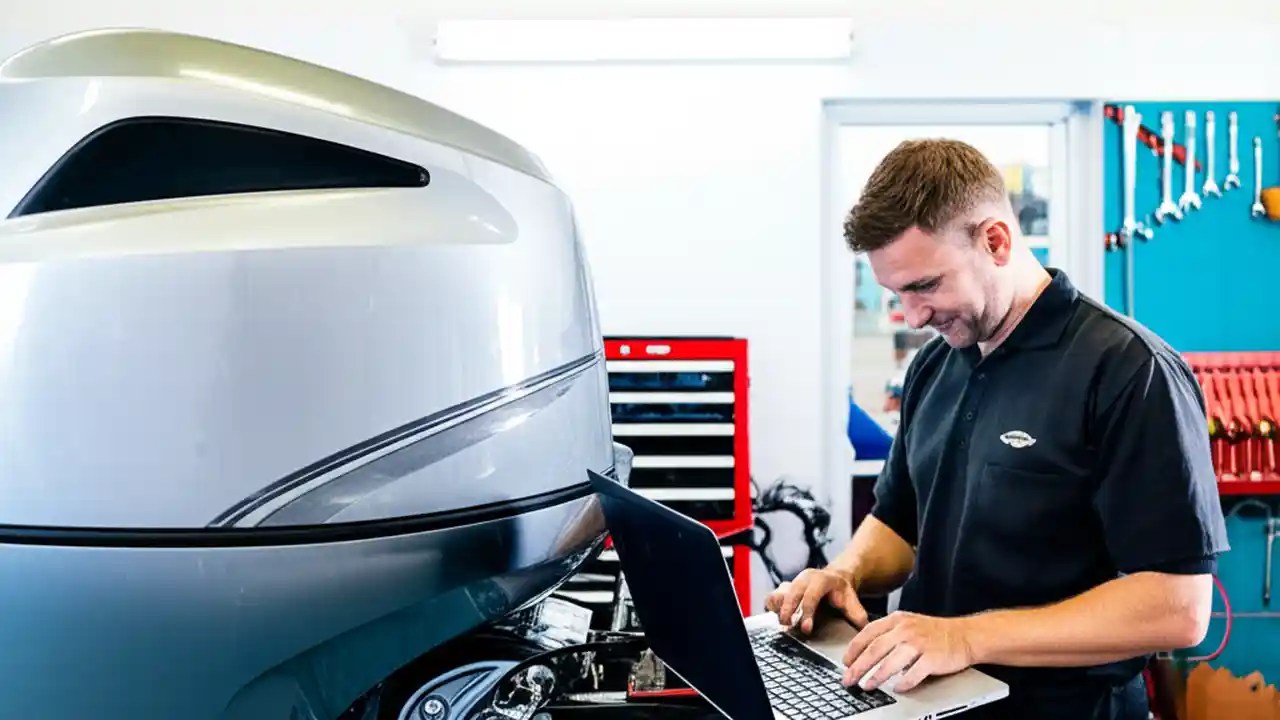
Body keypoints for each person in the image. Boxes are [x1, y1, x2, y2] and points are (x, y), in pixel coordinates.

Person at [765, 139, 1230, 719]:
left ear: (996, 241)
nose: (914, 317)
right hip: (925, 701)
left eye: (925, 286)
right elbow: (899, 522)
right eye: (897, 294)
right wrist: (845, 573)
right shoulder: (934, 364)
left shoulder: (1129, 371)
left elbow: (1178, 607)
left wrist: (963, 638)